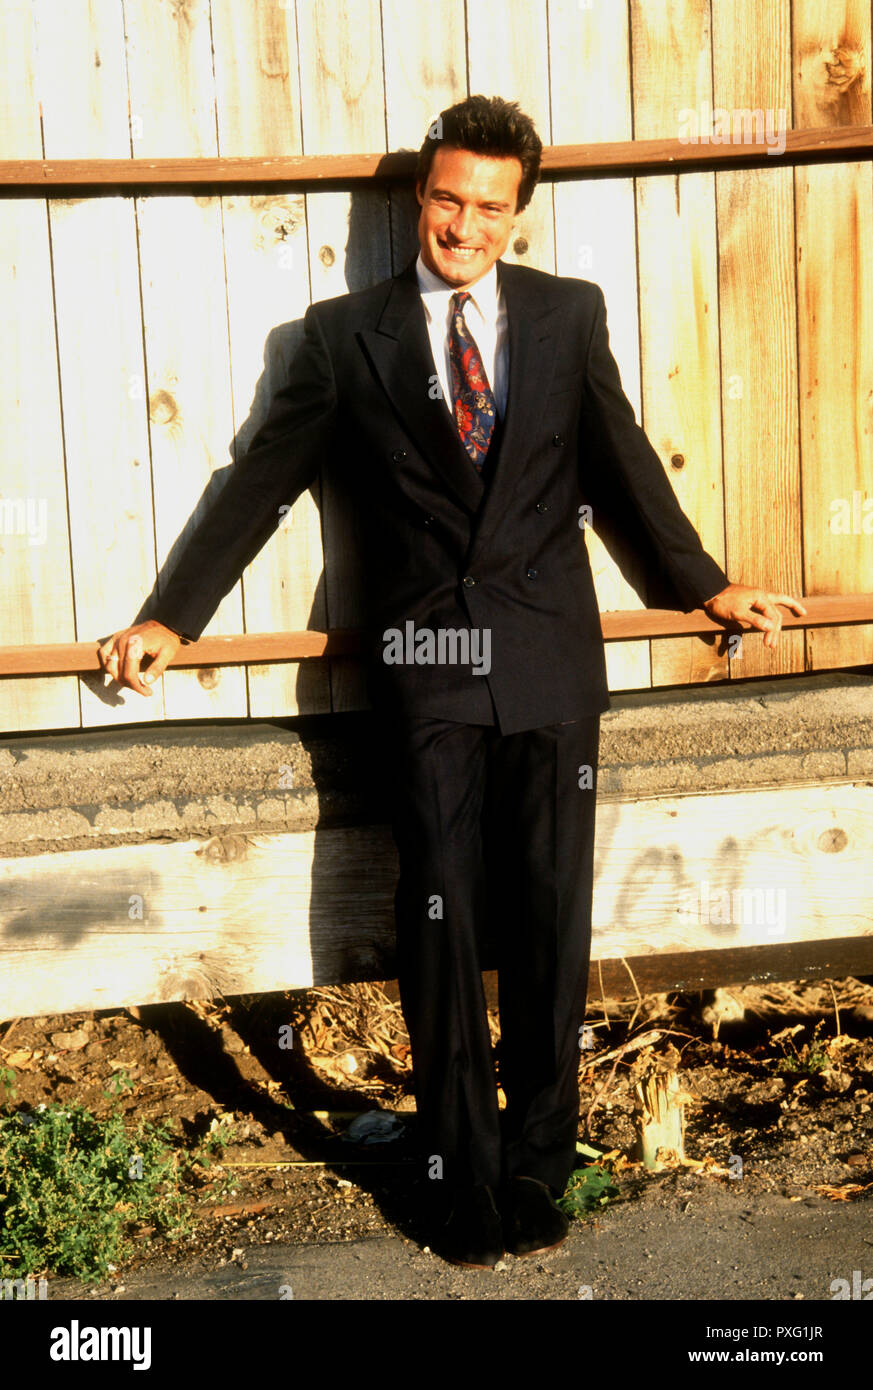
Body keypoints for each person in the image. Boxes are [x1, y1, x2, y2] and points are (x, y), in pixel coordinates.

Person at [98, 94, 805, 1270]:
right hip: (426, 669)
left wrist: (709, 585)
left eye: (490, 206)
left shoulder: (567, 318)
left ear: (515, 215)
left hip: (548, 664)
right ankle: (457, 1176)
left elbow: (623, 467)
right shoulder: (342, 337)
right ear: (416, 199)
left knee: (547, 921)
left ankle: (539, 1164)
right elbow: (258, 483)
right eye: (446, 199)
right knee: (440, 919)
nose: (464, 225)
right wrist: (175, 614)